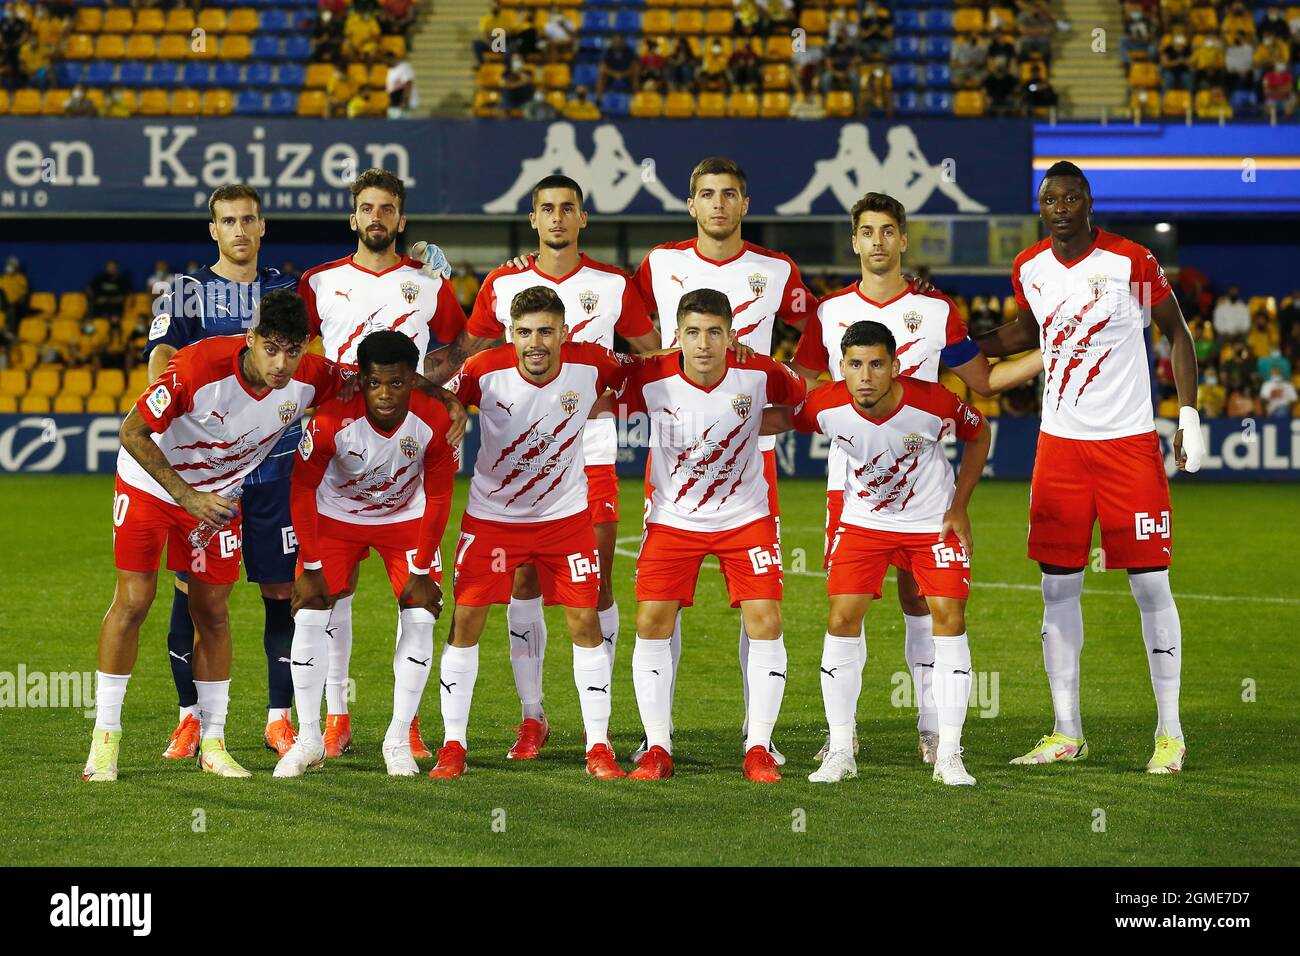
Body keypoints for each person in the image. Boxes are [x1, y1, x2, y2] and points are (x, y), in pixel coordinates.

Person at [788, 192, 1041, 764]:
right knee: (845, 608)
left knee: (920, 601)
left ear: (903, 241)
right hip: (849, 484)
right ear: (854, 242)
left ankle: (932, 726)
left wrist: (1054, 349)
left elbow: (985, 381)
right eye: (867, 232)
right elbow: (797, 386)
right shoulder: (828, 314)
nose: (877, 242)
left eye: (888, 232)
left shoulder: (937, 313)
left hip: (923, 482)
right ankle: (843, 733)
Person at [975, 161, 1204, 775]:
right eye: (1051, 198)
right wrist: (961, 343)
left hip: (1129, 445)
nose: (1061, 206)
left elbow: (1177, 333)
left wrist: (1189, 416)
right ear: (1041, 206)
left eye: (1071, 197)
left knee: (1151, 584)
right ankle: (1065, 731)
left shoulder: (1131, 261)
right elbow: (1029, 328)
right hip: (1061, 448)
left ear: (1088, 203)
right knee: (1057, 586)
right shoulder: (1029, 268)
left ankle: (1170, 733)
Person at [427, 175, 660, 758]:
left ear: (583, 218)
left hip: (589, 445)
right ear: (532, 218)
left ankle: (600, 727)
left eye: (568, 209)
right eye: (546, 209)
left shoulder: (613, 282)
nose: (557, 218)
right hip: (516, 453)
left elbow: (651, 354)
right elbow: (472, 359)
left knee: (594, 584)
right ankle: (534, 718)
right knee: (522, 581)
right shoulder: (503, 281)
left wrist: (602, 398)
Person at [83, 290, 352, 782]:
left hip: (219, 500)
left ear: (306, 347)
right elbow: (132, 431)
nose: (281, 362)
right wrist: (187, 497)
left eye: (293, 350)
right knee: (135, 600)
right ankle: (105, 739)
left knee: (212, 611)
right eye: (270, 347)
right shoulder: (197, 366)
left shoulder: (311, 379)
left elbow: (380, 379)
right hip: (153, 485)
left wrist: (444, 399)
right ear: (250, 339)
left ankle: (213, 742)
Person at [631, 156, 818, 765]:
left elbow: (816, 327)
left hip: (750, 456)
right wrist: (658, 376)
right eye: (706, 194)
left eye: (729, 194)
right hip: (675, 457)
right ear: (691, 204)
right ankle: (657, 736)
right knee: (661, 607)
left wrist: (780, 399)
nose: (718, 204)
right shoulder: (659, 264)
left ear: (744, 204)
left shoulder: (775, 268)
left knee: (759, 609)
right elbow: (628, 327)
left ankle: (756, 736)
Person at [766, 320, 992, 785]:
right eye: (854, 365)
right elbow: (783, 418)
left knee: (948, 619)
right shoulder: (826, 404)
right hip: (864, 525)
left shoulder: (931, 402)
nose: (865, 375)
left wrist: (961, 505)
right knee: (841, 619)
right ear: (841, 369)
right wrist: (722, 413)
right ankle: (841, 750)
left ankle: (949, 753)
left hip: (931, 525)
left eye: (875, 364)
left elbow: (979, 432)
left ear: (895, 366)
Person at [297, 168, 467, 759]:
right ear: (353, 218)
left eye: (387, 208)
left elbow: (457, 345)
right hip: (340, 453)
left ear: (400, 218)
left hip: (407, 454)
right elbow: (293, 351)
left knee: (415, 594)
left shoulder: (428, 284)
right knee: (332, 599)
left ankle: (408, 722)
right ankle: (336, 716)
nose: (377, 217)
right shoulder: (318, 282)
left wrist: (436, 394)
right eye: (366, 208)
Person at [603, 289, 807, 782]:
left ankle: (758, 745)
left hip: (746, 517)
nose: (703, 343)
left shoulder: (759, 371)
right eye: (692, 332)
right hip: (674, 519)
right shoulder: (651, 376)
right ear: (678, 336)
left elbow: (805, 402)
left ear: (730, 335)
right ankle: (656, 746)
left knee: (766, 619)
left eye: (714, 332)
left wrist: (762, 422)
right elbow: (599, 394)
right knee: (652, 622)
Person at [433, 285, 634, 780]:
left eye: (546, 331)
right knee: (465, 625)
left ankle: (599, 746)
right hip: (493, 519)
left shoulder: (592, 363)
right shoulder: (484, 370)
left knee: (584, 625)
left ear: (565, 332)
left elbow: (648, 370)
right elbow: (434, 393)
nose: (535, 342)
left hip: (564, 522)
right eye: (524, 332)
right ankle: (454, 745)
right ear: (509, 334)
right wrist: (451, 406)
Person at [275, 331, 455, 778]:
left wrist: (420, 567)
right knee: (311, 610)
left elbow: (439, 496)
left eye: (396, 383)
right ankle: (309, 738)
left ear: (413, 379)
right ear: (362, 379)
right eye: (374, 383)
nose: (385, 394)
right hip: (337, 518)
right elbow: (301, 487)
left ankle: (397, 739)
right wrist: (312, 565)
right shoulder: (331, 418)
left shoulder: (432, 419)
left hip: (404, 519)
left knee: (420, 611)